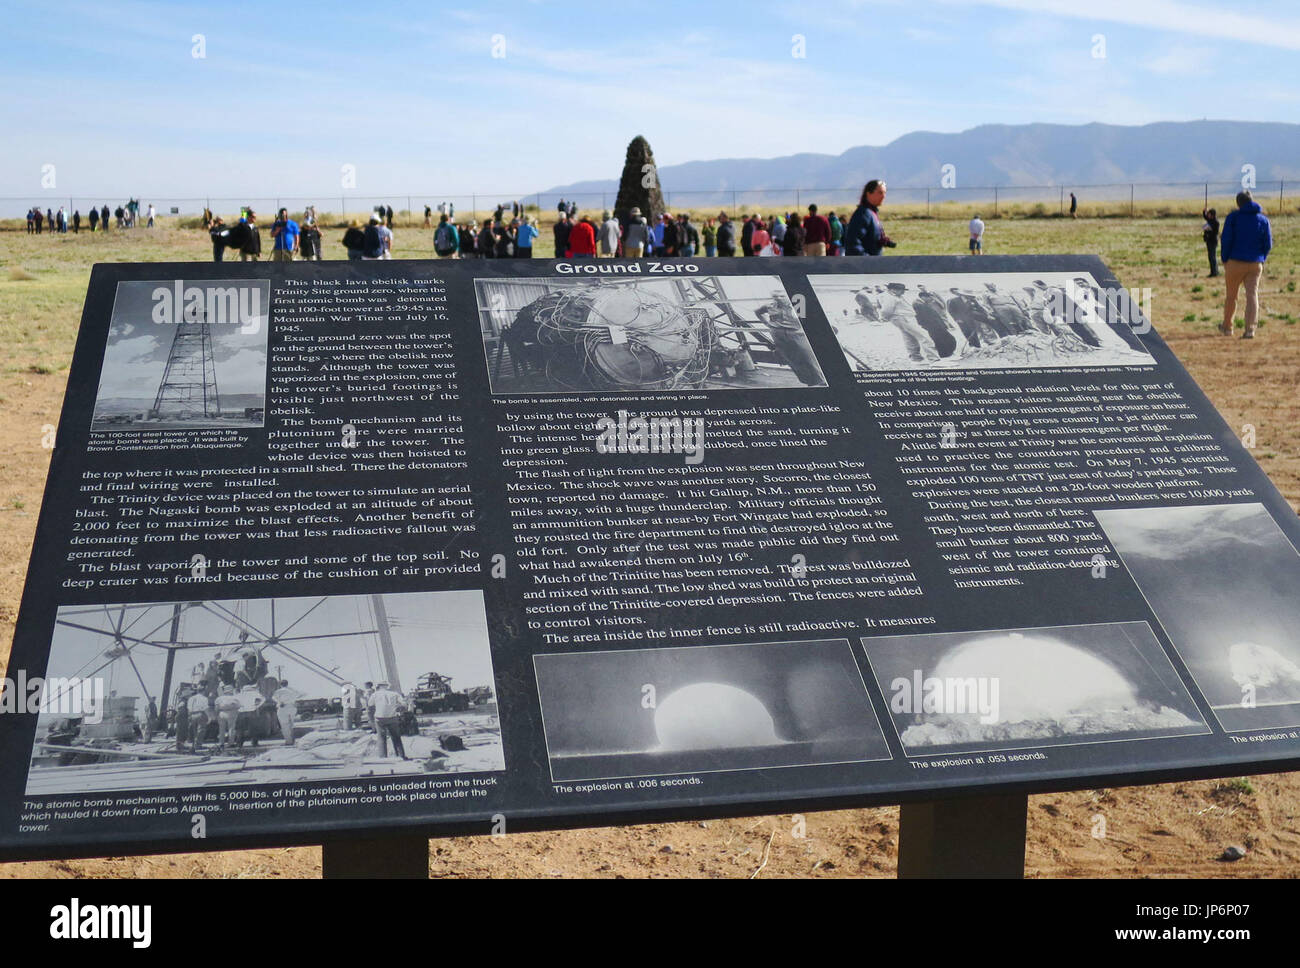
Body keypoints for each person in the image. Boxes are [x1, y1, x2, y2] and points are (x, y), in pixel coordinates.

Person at [1220, 190, 1272, 339]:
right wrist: (1261, 258)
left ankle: (1228, 327)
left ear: (1238, 203)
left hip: (1235, 262)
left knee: (1231, 296)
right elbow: (1268, 243)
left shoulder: (1233, 218)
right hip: (1255, 263)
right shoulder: (1263, 220)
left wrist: (1225, 259)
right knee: (1252, 295)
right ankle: (1250, 330)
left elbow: (1226, 239)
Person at [845, 181, 894, 256]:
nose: (884, 196)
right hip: (864, 265)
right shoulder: (863, 214)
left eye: (884, 193)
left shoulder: (871, 213)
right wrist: (868, 260)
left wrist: (883, 242)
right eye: (880, 193)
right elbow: (853, 243)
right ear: (868, 193)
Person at [370, 682, 407, 759]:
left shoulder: (375, 694)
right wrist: (398, 709)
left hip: (379, 718)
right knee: (396, 737)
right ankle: (401, 756)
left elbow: (370, 704)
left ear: (378, 686)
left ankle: (383, 757)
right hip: (392, 717)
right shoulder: (394, 694)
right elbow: (404, 704)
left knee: (381, 738)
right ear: (387, 686)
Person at [272, 679, 302, 746]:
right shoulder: (293, 690)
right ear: (287, 684)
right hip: (292, 707)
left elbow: (273, 698)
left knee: (285, 725)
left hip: (283, 707)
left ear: (280, 684)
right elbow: (300, 695)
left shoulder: (278, 691)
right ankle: (293, 739)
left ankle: (289, 742)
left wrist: (280, 702)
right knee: (291, 724)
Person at [1201, 207, 1220, 278]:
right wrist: (1204, 212)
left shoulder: (1216, 222)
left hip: (1213, 241)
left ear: (1212, 215)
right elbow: (1205, 217)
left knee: (1213, 257)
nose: (1208, 215)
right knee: (1210, 257)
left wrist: (1209, 231)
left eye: (1209, 214)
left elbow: (1215, 232)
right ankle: (1213, 271)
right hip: (1209, 241)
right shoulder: (1210, 220)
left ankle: (1215, 272)